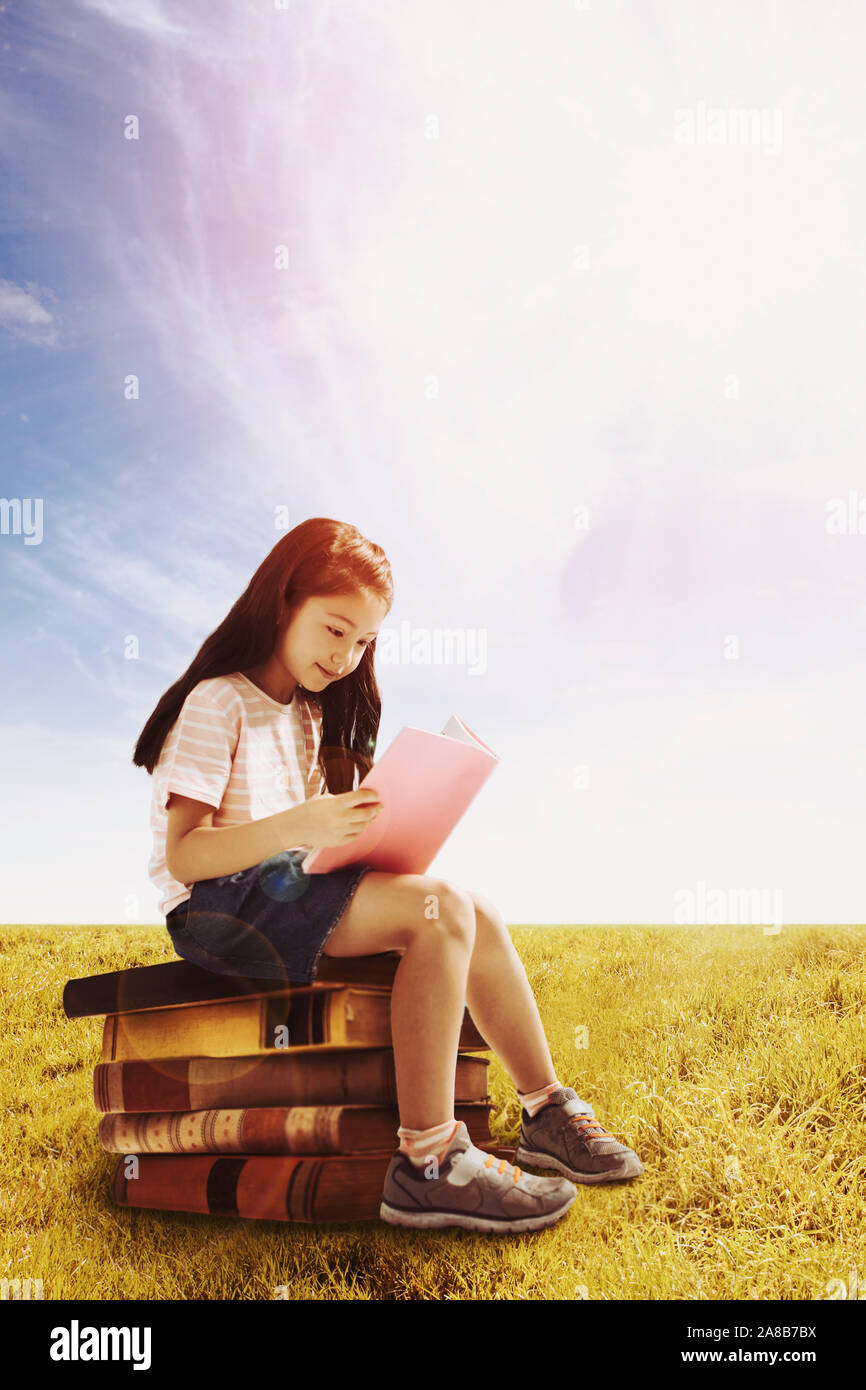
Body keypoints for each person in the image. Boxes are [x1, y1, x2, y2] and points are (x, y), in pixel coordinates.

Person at [133, 516, 643, 1234]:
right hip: (218, 911)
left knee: (476, 910)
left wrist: (365, 832)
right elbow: (186, 855)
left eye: (364, 641)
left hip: (280, 886)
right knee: (436, 910)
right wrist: (303, 825)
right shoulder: (219, 701)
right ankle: (428, 1161)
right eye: (335, 630)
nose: (347, 656)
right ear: (283, 602)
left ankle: (545, 1110)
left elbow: (305, 848)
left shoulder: (312, 716)